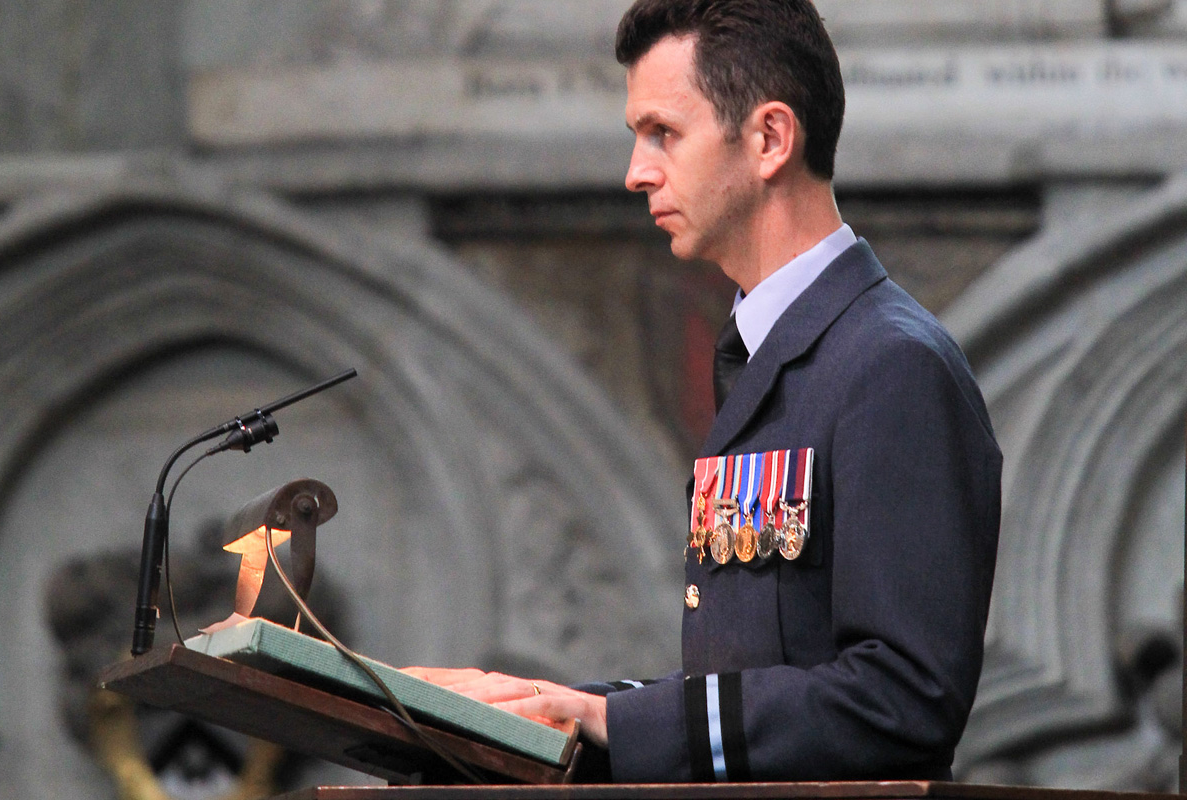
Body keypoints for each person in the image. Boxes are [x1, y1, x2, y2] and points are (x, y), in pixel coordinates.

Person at [405, 0, 1002, 783]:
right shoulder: (771, 352)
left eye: (664, 133)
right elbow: (756, 684)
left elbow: (903, 698)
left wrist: (612, 719)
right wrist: (537, 707)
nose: (636, 171)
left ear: (769, 139)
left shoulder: (890, 366)